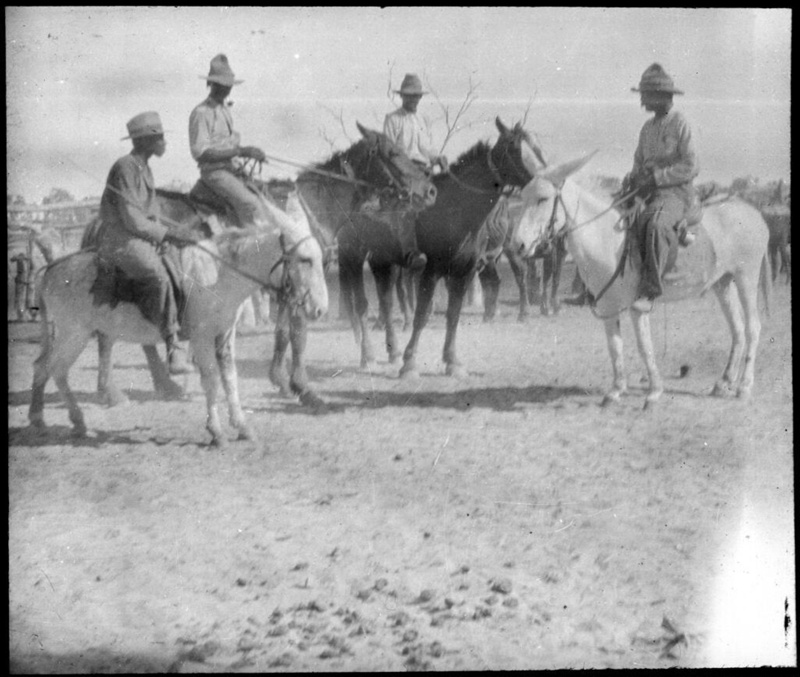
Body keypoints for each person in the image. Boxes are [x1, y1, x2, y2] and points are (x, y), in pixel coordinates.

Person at [96, 111, 193, 375]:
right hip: (119, 240)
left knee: (178, 269)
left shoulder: (144, 168)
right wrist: (166, 235)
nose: (164, 142)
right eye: (159, 137)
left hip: (136, 236)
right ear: (144, 142)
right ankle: (172, 343)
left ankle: (178, 328)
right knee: (157, 274)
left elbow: (149, 214)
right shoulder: (125, 167)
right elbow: (132, 218)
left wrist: (168, 234)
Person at [626, 63, 699, 312]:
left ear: (662, 97)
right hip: (646, 191)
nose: (642, 102)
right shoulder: (646, 128)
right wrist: (632, 178)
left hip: (675, 193)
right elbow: (638, 162)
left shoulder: (680, 124)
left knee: (656, 224)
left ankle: (650, 291)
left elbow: (691, 165)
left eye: (646, 96)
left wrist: (657, 178)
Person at [189, 54, 270, 229]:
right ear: (211, 84)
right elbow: (201, 153)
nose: (225, 90)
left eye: (228, 86)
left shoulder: (224, 110)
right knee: (251, 204)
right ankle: (255, 249)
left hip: (231, 169)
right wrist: (241, 151)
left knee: (266, 195)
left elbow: (230, 145)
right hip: (215, 173)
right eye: (221, 86)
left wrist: (250, 152)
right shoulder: (201, 112)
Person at [383, 73, 449, 269]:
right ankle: (411, 252)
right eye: (409, 96)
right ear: (402, 96)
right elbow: (389, 150)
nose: (413, 99)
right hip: (402, 170)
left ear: (420, 98)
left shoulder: (423, 119)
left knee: (446, 196)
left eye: (416, 96)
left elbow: (426, 147)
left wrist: (438, 158)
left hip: (423, 170)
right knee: (408, 204)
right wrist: (405, 168)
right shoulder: (393, 119)